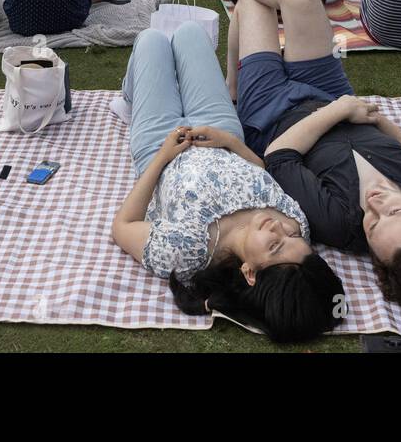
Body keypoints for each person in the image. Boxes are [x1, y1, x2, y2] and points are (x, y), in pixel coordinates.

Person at [197, 0, 401, 308]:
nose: (374, 206)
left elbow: (280, 156)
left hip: (273, 115)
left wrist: (341, 112)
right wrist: (376, 118)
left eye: (372, 225)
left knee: (253, 0)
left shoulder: (340, 225)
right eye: (392, 210)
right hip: (330, 93)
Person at [111, 19, 345, 342]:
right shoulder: (297, 225)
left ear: (249, 272)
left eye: (276, 245)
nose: (280, 228)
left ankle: (129, 97)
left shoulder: (186, 251)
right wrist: (230, 142)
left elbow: (123, 224)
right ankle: (140, 89)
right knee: (191, 33)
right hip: (219, 129)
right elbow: (260, 169)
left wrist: (163, 156)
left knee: (150, 40)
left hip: (157, 145)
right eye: (293, 238)